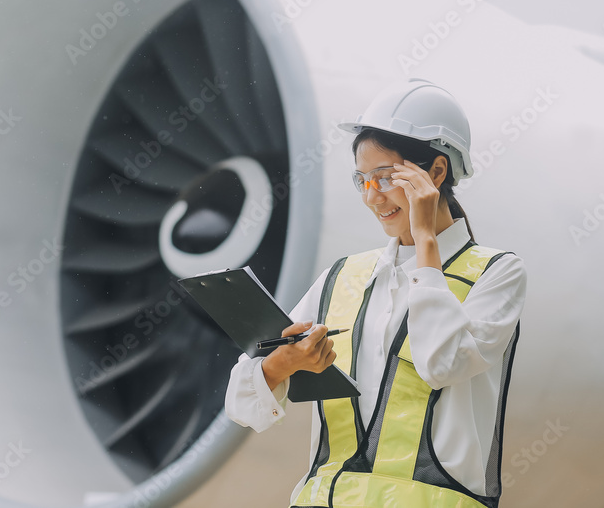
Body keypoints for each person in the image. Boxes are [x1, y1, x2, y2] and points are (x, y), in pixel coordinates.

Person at [225, 78, 527, 508]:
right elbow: (240, 403)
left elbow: (441, 363)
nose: (372, 197)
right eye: (362, 179)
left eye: (385, 177)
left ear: (436, 172)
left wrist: (426, 241)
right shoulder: (343, 276)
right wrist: (279, 366)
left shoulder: (496, 273)